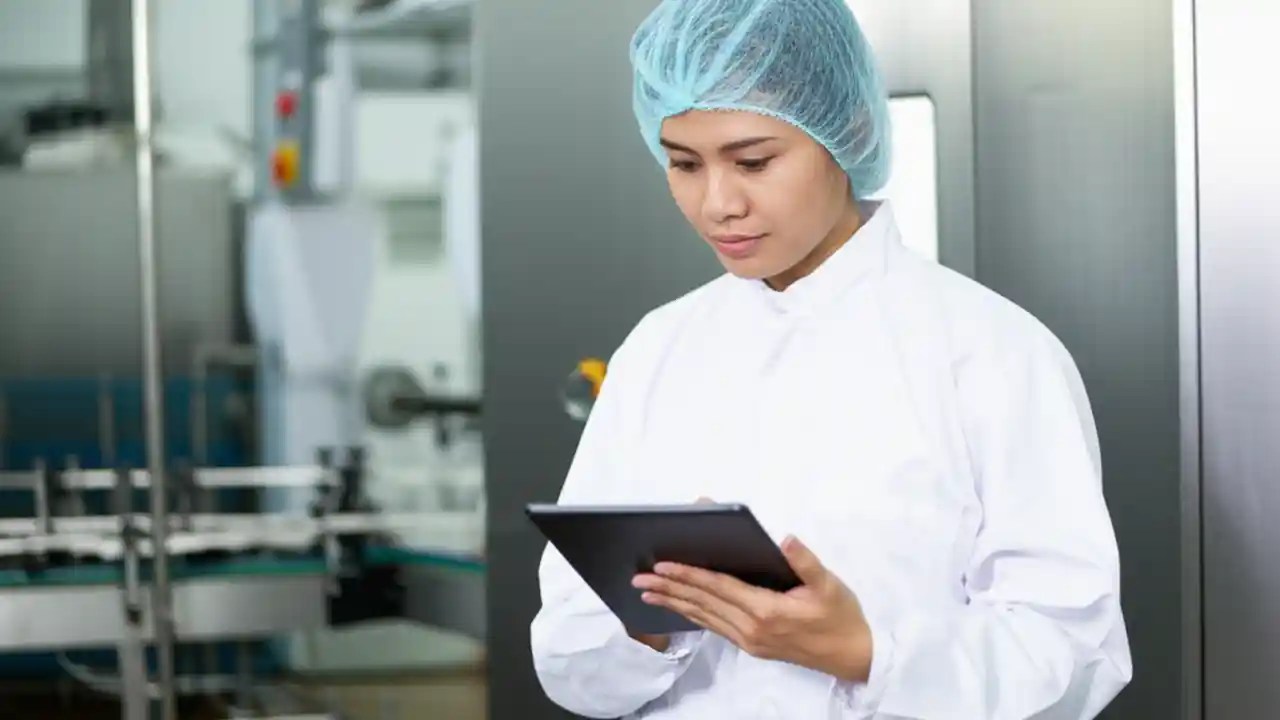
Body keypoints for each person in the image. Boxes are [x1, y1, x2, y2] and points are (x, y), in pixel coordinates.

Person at [530, 0, 1133, 717]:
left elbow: (1073, 654)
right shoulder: (659, 350)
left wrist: (863, 650)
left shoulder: (991, 353)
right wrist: (653, 620)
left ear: (844, 133)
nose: (717, 202)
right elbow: (566, 652)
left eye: (754, 161)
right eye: (684, 163)